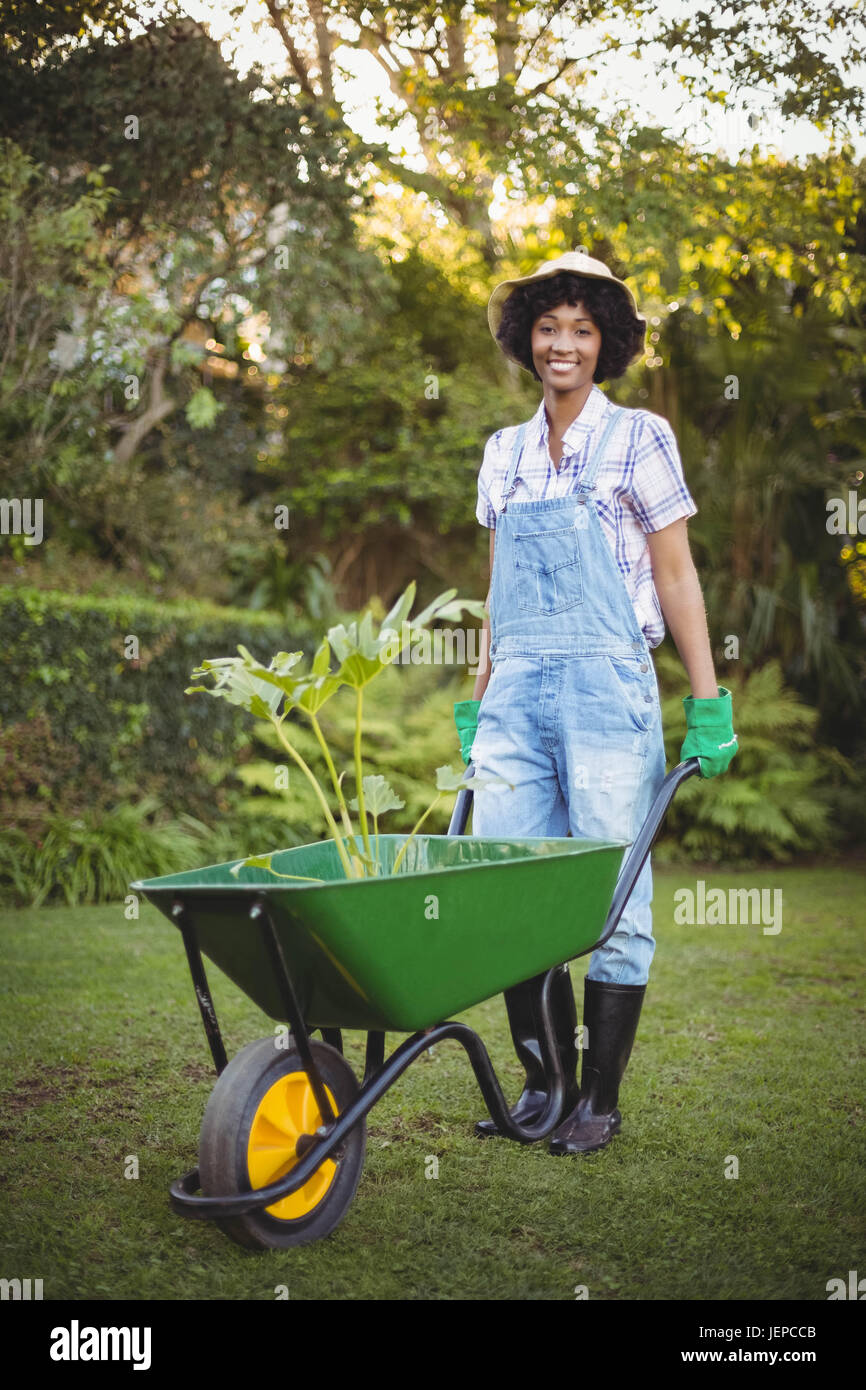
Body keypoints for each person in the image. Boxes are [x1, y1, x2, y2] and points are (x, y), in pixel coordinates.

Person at [453, 250, 738, 1156]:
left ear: (605, 341)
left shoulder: (640, 436)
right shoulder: (503, 452)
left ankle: (599, 1101)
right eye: (547, 327)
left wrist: (707, 697)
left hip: (610, 682)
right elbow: (495, 588)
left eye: (580, 329)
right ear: (526, 340)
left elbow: (675, 570)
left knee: (615, 894)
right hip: (519, 687)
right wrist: (479, 691)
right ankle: (546, 1087)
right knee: (511, 883)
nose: (561, 345)